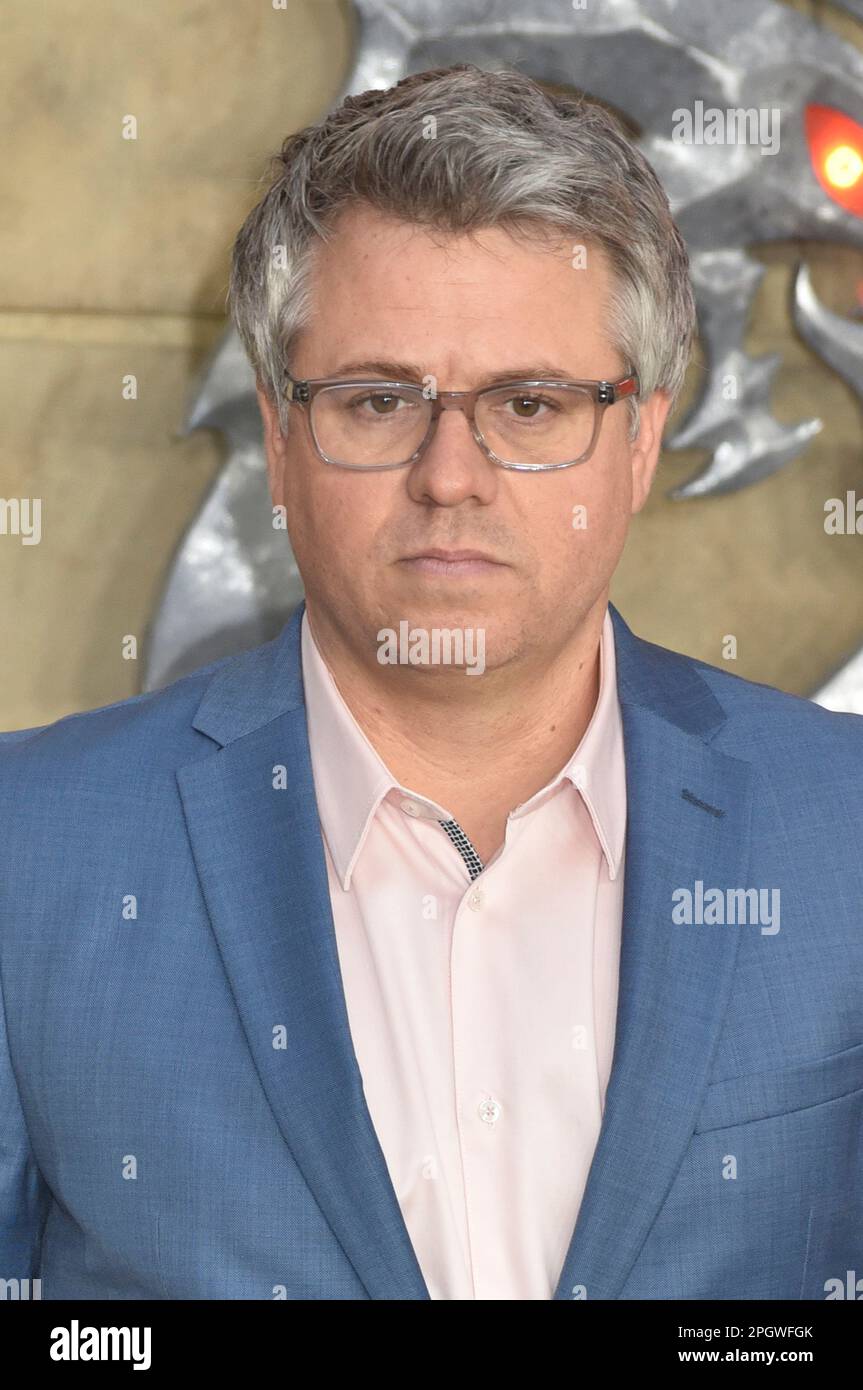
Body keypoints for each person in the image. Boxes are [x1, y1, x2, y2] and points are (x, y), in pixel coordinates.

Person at [1, 64, 861, 1302]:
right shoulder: (28, 854)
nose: (449, 474)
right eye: (374, 400)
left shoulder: (842, 829)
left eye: (527, 402)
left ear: (638, 441)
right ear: (282, 441)